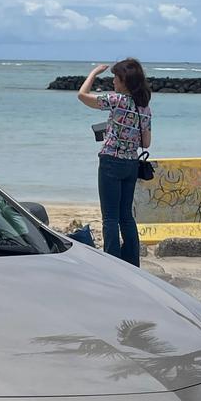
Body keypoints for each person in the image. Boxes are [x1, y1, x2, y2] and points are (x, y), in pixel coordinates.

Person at [76, 58, 152, 267]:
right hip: (131, 164)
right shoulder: (144, 107)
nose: (113, 82)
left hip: (111, 161)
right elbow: (146, 141)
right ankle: (132, 264)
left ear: (124, 81)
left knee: (109, 218)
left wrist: (93, 73)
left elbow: (82, 96)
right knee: (126, 217)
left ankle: (112, 264)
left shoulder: (116, 100)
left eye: (115, 78)